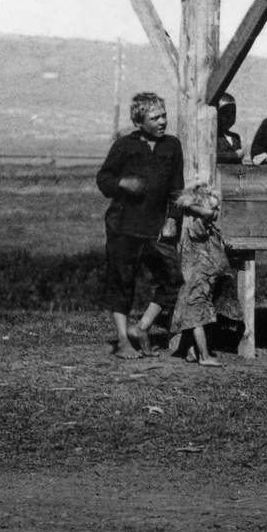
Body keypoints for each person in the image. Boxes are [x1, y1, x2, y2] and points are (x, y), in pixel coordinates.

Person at [95, 92, 184, 358]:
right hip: (123, 226)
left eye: (164, 115)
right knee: (122, 283)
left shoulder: (172, 146)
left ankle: (142, 327)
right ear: (139, 122)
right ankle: (123, 341)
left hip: (156, 228)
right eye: (154, 117)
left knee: (173, 279)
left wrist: (172, 219)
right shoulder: (125, 146)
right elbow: (104, 179)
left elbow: (177, 189)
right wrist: (123, 183)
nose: (162, 121)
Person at [167, 184, 239, 366]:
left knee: (196, 317)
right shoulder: (196, 225)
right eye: (213, 209)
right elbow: (203, 212)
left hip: (204, 279)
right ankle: (204, 356)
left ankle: (191, 352)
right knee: (198, 318)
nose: (216, 213)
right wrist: (196, 204)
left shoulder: (206, 226)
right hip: (198, 280)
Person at [215, 92, 243, 165]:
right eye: (225, 113)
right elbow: (211, 155)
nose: (230, 117)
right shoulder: (213, 137)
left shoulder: (235, 137)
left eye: (233, 113)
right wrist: (234, 155)